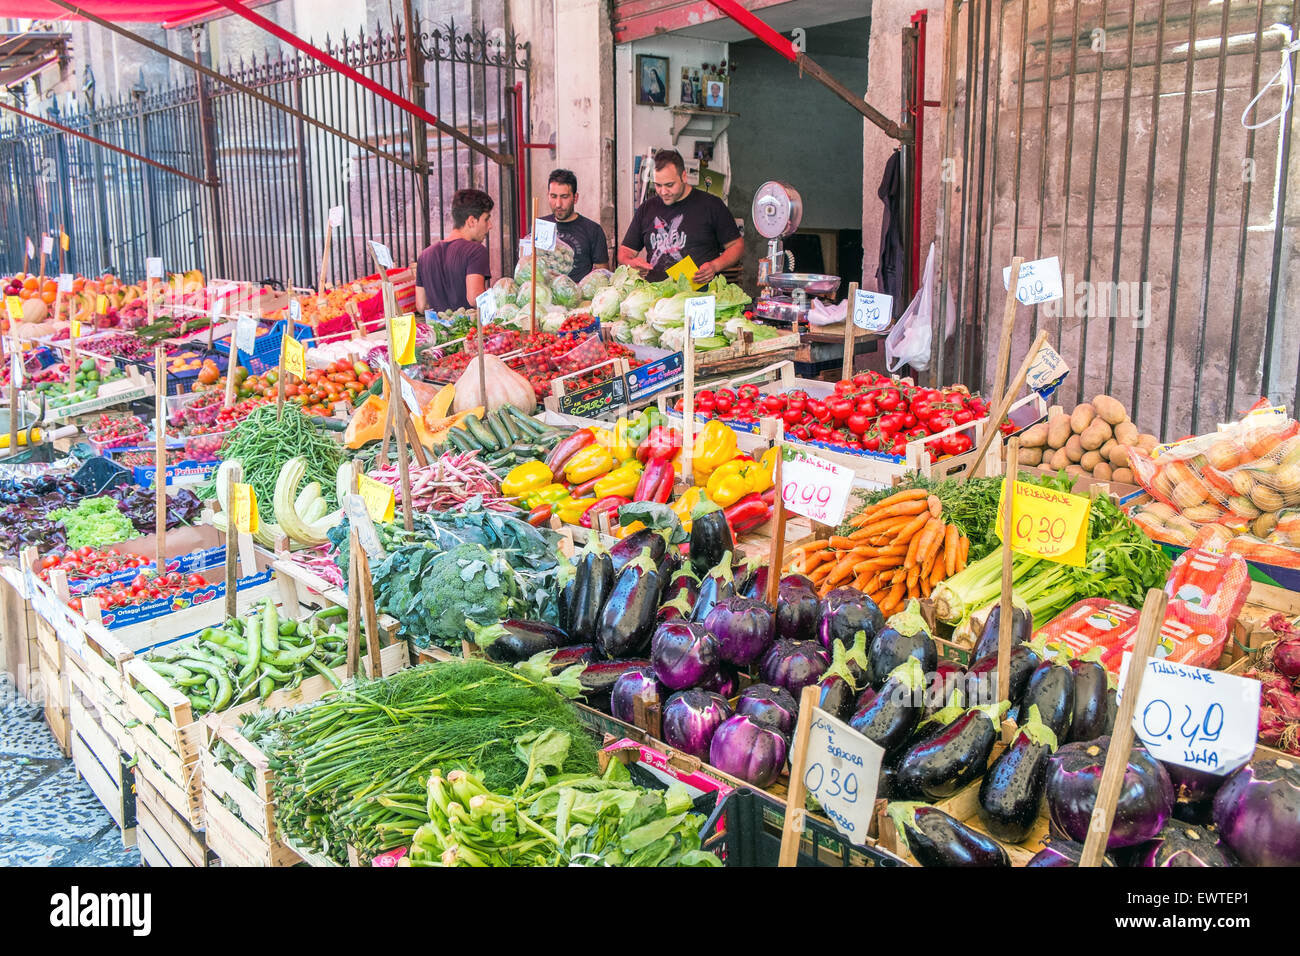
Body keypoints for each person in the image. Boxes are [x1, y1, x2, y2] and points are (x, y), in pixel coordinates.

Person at [618, 149, 743, 284]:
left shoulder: (711, 205)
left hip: (700, 297)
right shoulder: (646, 208)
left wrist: (715, 266)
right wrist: (631, 262)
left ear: (684, 176)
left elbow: (737, 245)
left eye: (669, 185)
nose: (663, 192)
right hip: (658, 298)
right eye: (658, 185)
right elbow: (625, 251)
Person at [414, 188, 493, 314]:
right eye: (486, 219)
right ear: (472, 221)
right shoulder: (476, 251)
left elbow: (421, 305)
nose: (490, 225)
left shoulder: (425, 256)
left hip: (437, 332)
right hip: (468, 332)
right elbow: (475, 298)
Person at [540, 169, 609, 282]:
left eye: (564, 197)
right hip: (545, 297)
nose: (558, 204)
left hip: (580, 298)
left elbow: (603, 275)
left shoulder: (593, 230)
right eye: (553, 196)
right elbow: (528, 266)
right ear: (548, 196)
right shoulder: (541, 226)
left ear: (575, 198)